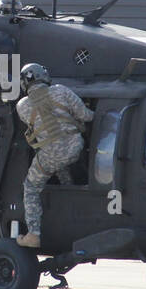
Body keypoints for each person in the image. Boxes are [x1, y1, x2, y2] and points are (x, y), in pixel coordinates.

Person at [15, 62, 94, 249]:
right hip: (76, 148)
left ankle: (34, 233)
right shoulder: (62, 91)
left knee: (31, 186)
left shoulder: (22, 106)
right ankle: (69, 188)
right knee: (62, 165)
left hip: (51, 156)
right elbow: (87, 116)